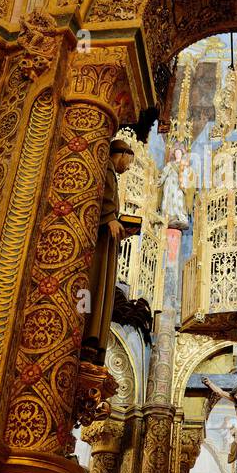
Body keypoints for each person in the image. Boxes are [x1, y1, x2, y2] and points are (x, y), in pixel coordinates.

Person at [84, 138, 135, 365]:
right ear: (122, 154)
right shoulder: (105, 168)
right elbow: (98, 197)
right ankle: (87, 330)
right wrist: (110, 218)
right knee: (91, 286)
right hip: (99, 244)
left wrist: (119, 226)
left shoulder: (112, 173)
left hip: (107, 241)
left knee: (101, 288)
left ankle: (93, 335)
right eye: (129, 161)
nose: (129, 167)